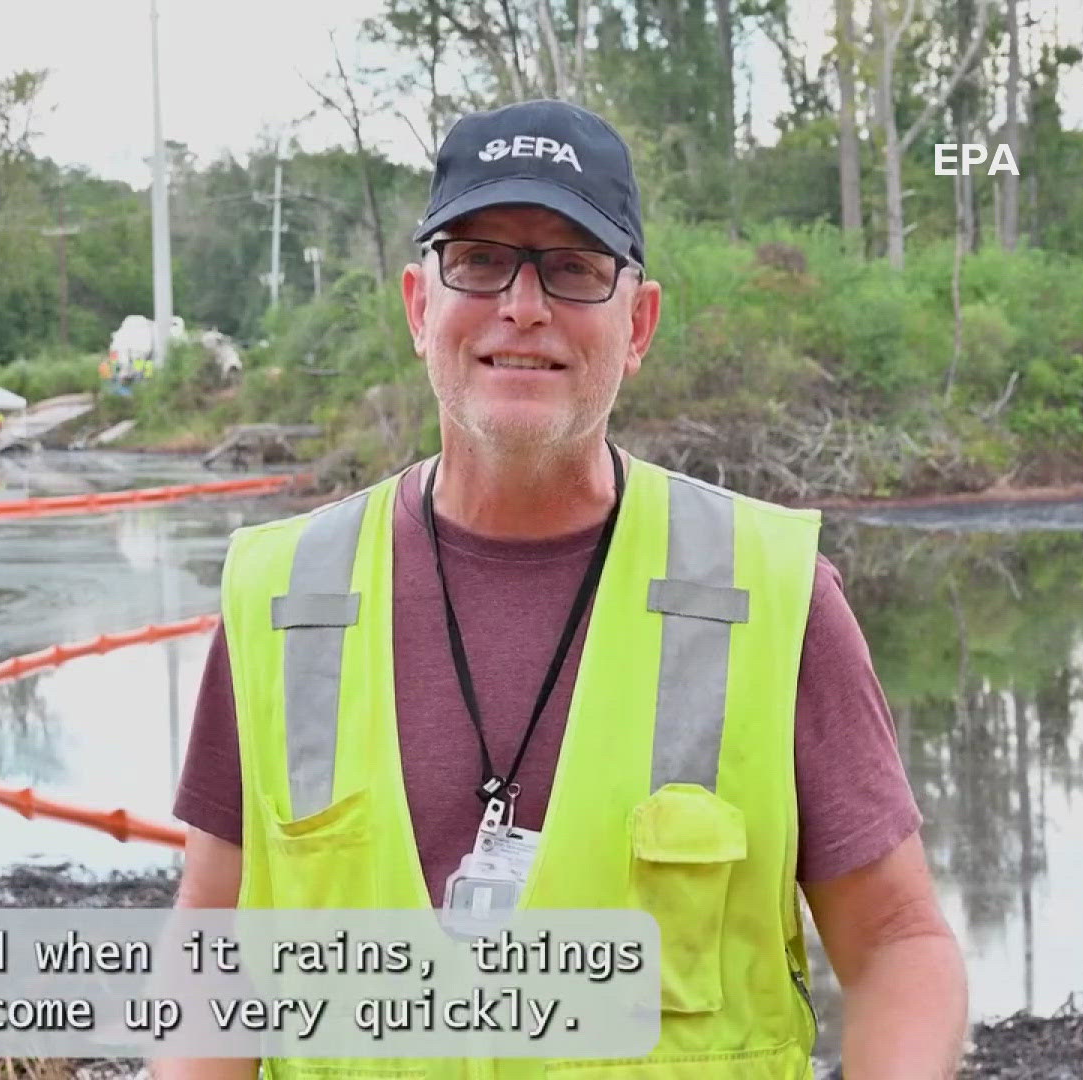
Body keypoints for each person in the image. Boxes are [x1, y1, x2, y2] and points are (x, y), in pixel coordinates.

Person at [164, 99, 966, 1079]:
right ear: (420, 307)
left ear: (640, 323)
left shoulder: (772, 591)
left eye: (575, 269)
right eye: (481, 260)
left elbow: (895, 944)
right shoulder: (284, 595)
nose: (524, 306)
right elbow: (214, 933)